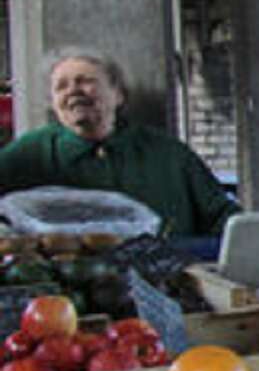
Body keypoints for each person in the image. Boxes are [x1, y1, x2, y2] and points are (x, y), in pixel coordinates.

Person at [0, 49, 238, 237]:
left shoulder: (168, 153)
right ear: (53, 104)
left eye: (85, 81)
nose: (73, 91)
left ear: (118, 94)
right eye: (61, 86)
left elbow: (223, 218)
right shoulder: (30, 153)